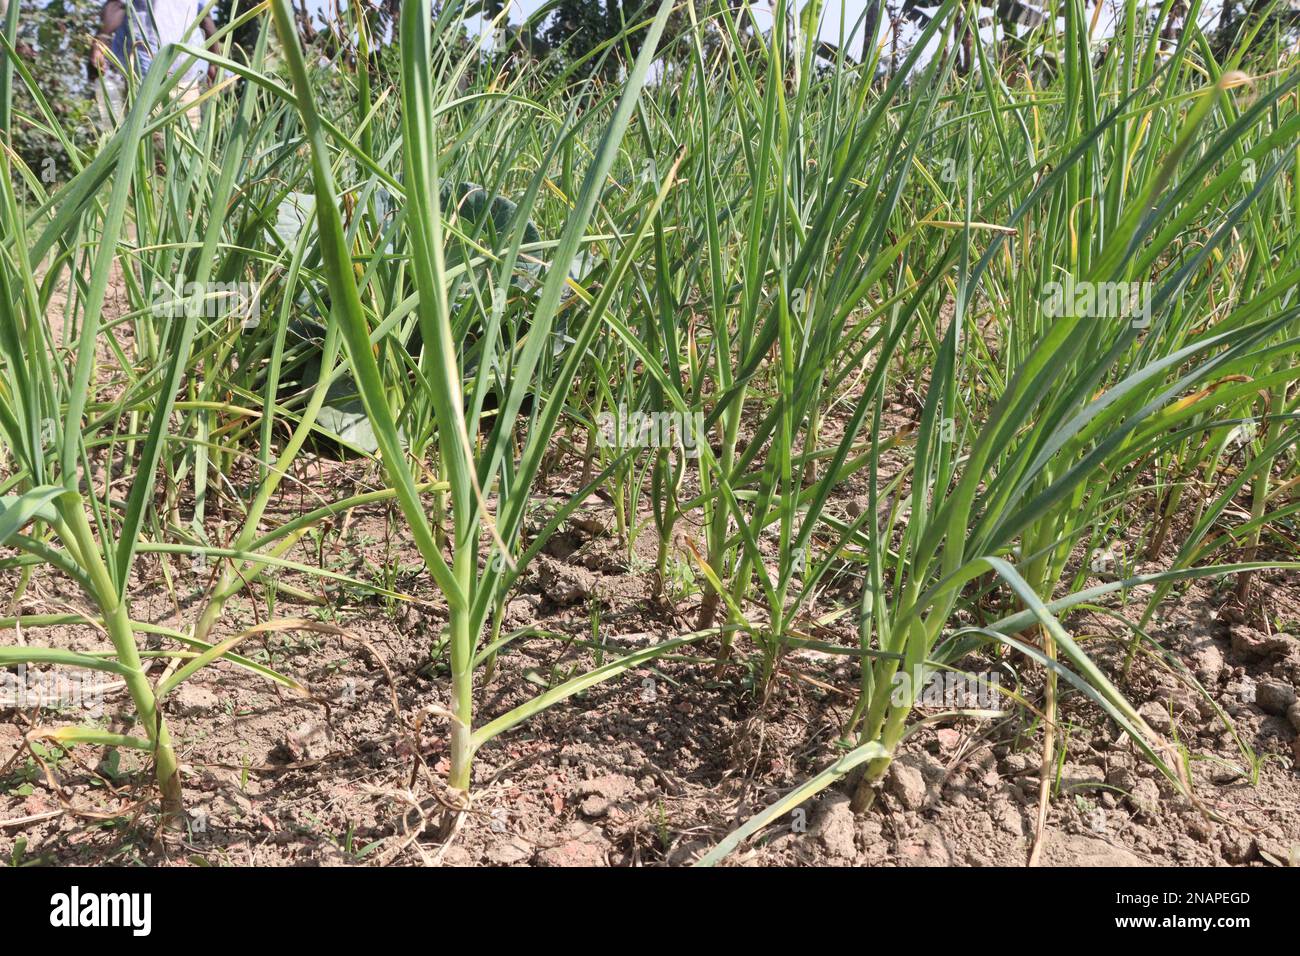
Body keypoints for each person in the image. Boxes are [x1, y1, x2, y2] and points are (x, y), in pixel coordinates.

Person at [88, 0, 218, 127]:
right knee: (151, 136)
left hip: (184, 73)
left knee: (186, 135)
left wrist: (214, 60)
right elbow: (117, 5)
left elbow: (204, 14)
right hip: (148, 73)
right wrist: (100, 41)